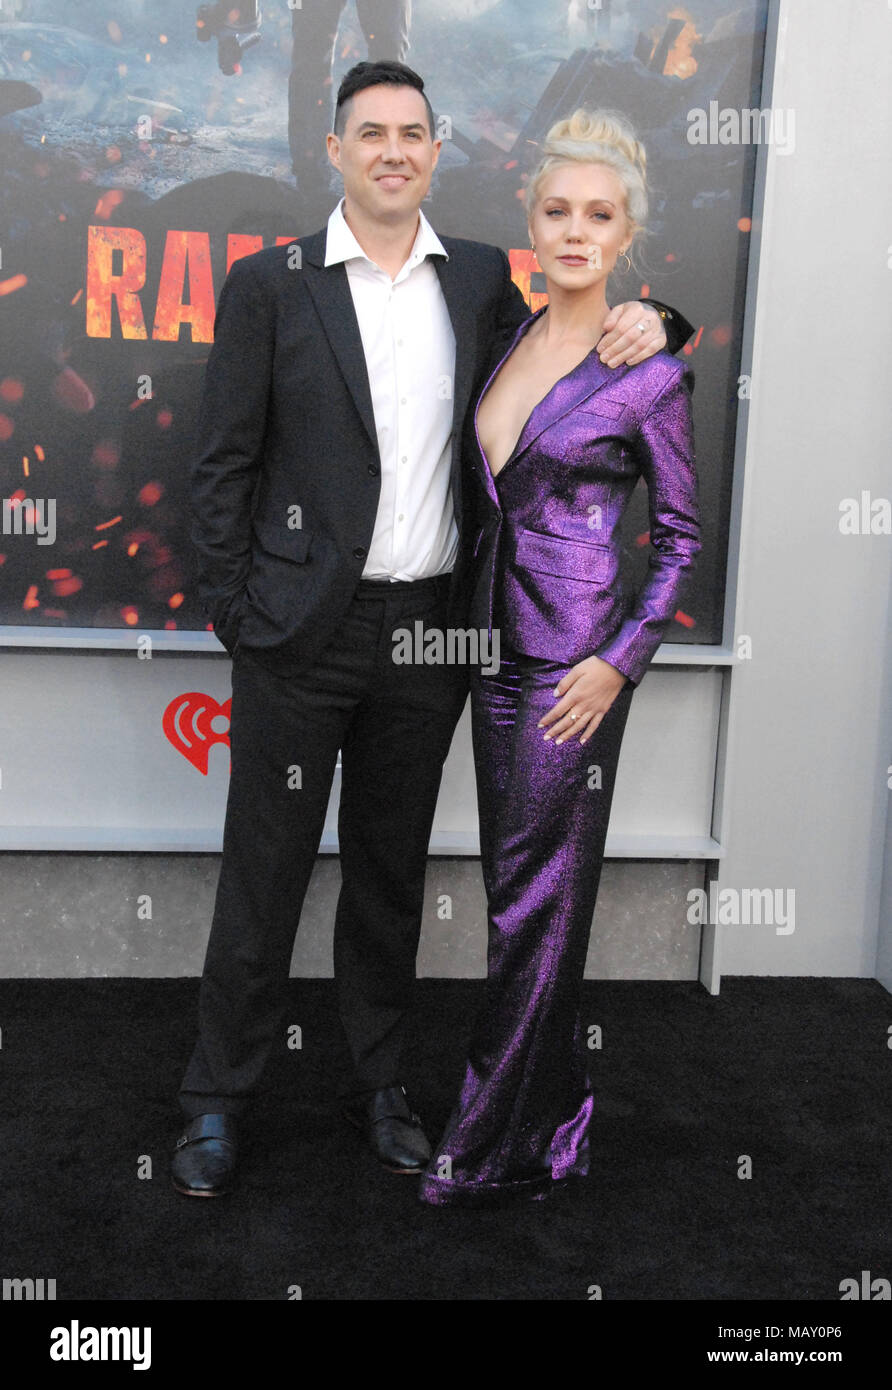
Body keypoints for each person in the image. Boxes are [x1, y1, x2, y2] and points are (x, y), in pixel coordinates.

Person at [171, 62, 692, 1198]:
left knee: (389, 878)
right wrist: (241, 615)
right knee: (262, 875)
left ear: (436, 151)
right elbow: (220, 465)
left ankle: (379, 1089)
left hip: (432, 638)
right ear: (336, 150)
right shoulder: (271, 285)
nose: (394, 151)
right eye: (372, 133)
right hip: (296, 638)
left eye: (413, 132)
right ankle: (216, 1100)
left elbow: (580, 336)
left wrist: (666, 319)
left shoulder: (481, 281)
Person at [418, 108, 700, 1207]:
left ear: (627, 234)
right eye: (557, 210)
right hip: (489, 648)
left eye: (600, 215)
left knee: (533, 902)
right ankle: (558, 1114)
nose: (576, 231)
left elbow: (679, 539)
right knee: (522, 893)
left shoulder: (649, 370)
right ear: (529, 222)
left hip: (573, 666)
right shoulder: (507, 337)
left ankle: (487, 1144)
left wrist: (620, 660)